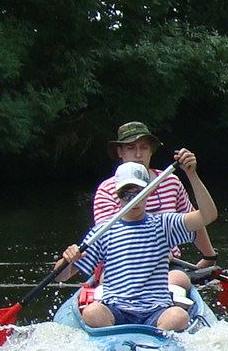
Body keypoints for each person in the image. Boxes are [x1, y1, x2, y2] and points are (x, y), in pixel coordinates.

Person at [58, 152, 219, 331]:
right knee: (92, 312)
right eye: (127, 194)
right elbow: (62, 276)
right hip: (116, 309)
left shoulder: (164, 224)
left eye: (139, 193)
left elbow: (208, 215)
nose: (133, 200)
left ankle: (156, 341)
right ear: (118, 195)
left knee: (178, 316)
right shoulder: (102, 232)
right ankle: (118, 339)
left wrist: (192, 174)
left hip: (156, 310)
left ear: (148, 192)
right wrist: (67, 259)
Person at [91, 121, 216, 291]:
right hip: (121, 266)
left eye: (143, 147)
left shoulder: (171, 181)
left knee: (178, 280)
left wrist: (209, 256)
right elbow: (105, 241)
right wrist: (150, 254)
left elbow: (195, 220)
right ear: (120, 152)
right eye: (130, 148)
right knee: (107, 282)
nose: (138, 154)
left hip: (167, 267)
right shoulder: (107, 189)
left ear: (151, 150)